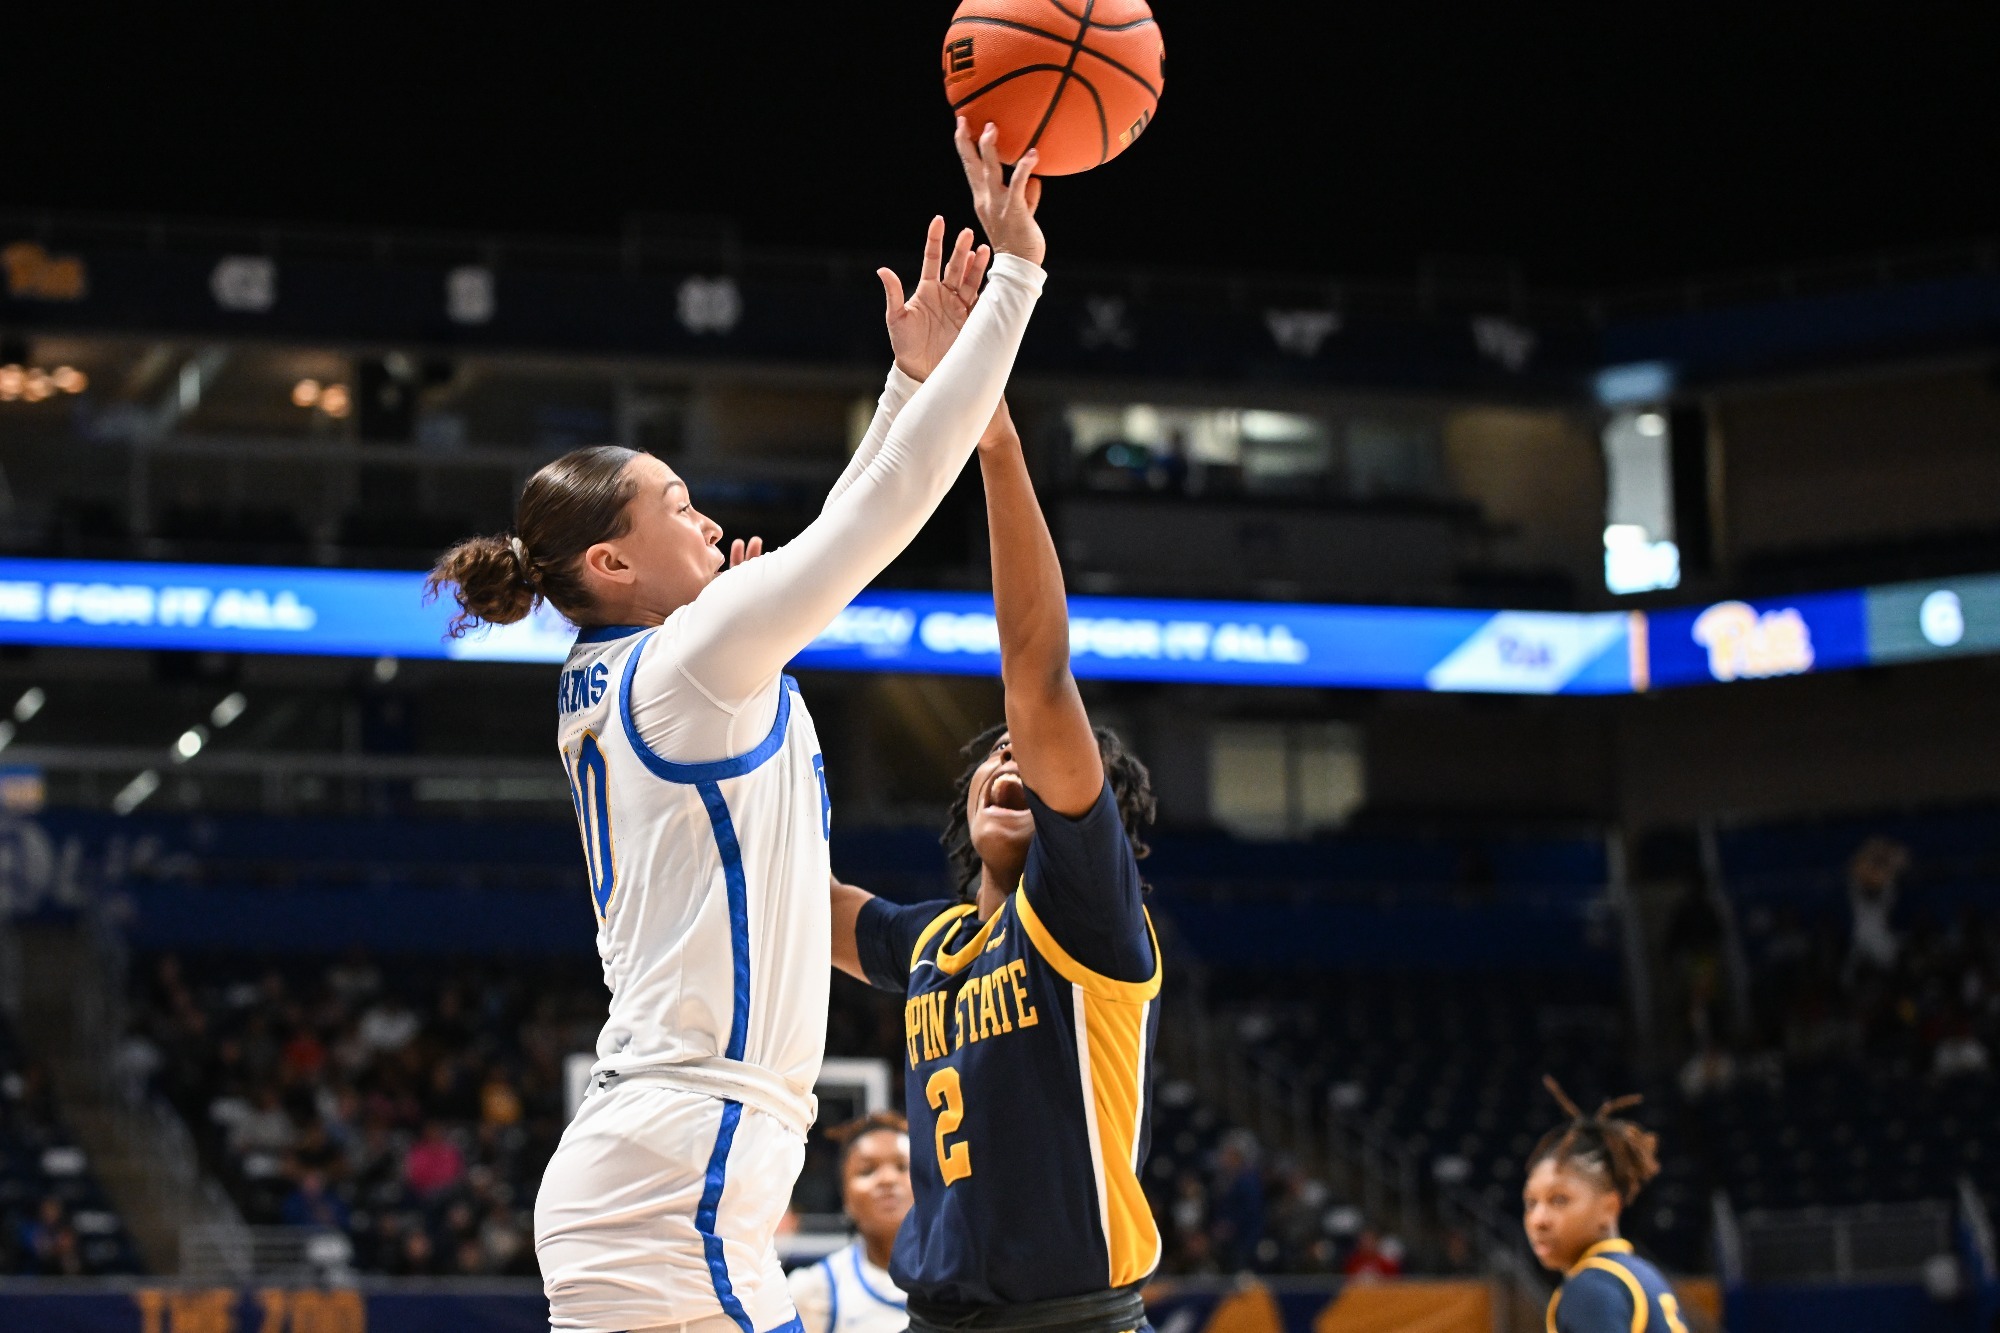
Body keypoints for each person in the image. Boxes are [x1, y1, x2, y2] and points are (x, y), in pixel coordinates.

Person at [428, 118, 1046, 1333]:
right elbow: (882, 508)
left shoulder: (648, 669)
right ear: (612, 559)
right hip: (682, 1157)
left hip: (665, 1159)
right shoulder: (690, 659)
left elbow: (846, 519)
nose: (707, 520)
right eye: (678, 504)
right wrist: (1012, 283)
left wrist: (912, 381)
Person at [830, 389, 1163, 1333]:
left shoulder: (1085, 917)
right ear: (963, 802)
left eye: (1032, 751)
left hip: (1071, 1320)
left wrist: (998, 440)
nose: (1011, 757)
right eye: (993, 756)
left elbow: (1036, 674)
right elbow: (794, 895)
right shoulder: (933, 942)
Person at [1523, 1078, 1687, 1333]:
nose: (1538, 1220)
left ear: (1609, 1207)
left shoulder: (1592, 1286)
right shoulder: (1642, 1273)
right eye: (1531, 1203)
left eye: (1559, 1200)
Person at [788, 1113, 913, 1333]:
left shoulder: (964, 1279)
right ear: (845, 1197)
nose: (888, 1179)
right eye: (867, 1170)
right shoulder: (814, 1290)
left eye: (902, 1167)